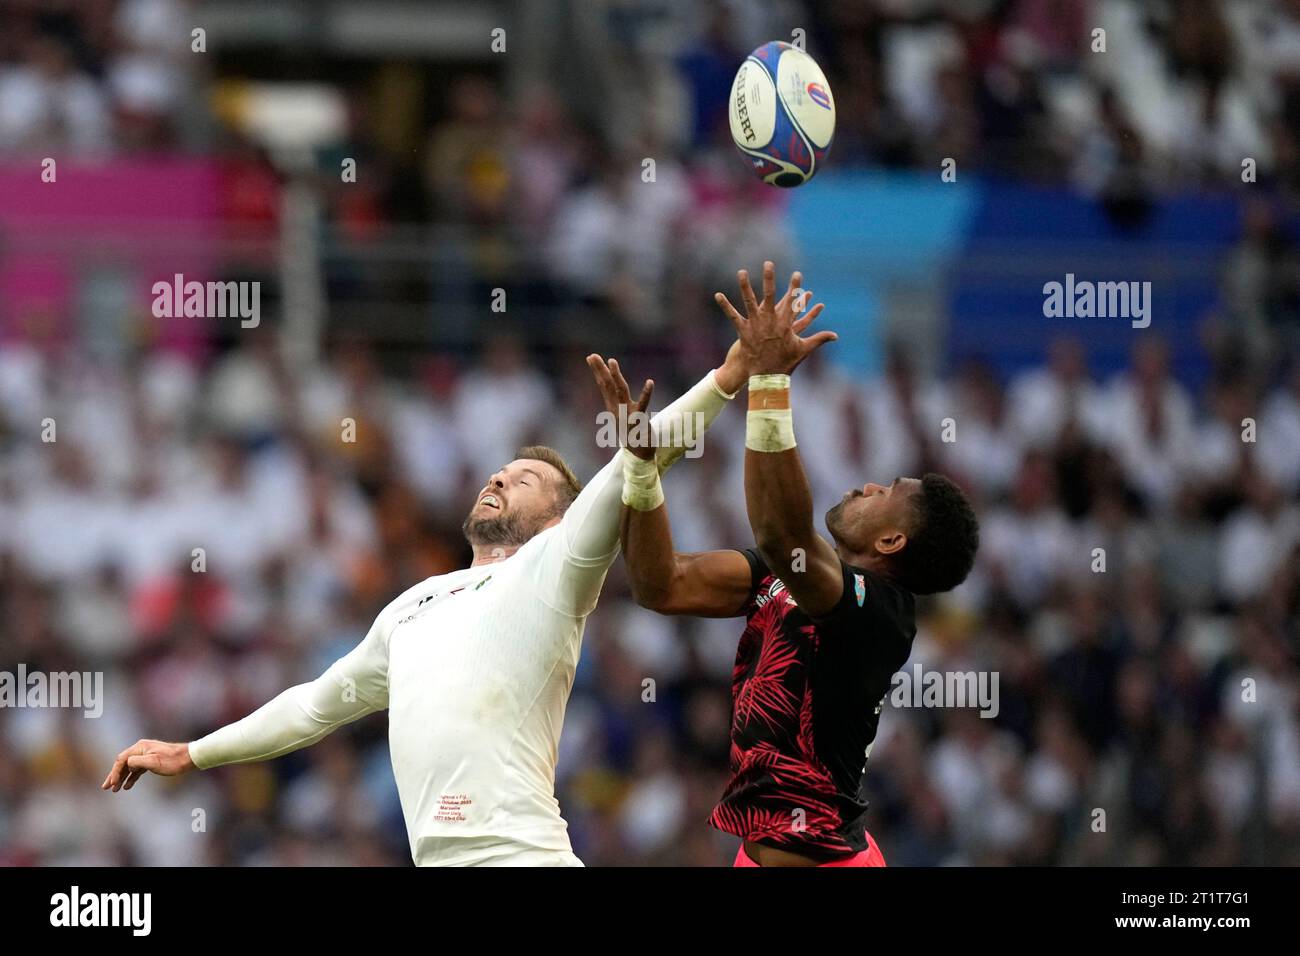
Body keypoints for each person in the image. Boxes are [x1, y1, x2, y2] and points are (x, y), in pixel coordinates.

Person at [102, 339, 750, 866]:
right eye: (500, 472)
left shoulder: (553, 567)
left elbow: (635, 464)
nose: (499, 478)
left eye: (525, 480)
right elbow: (313, 706)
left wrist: (727, 377)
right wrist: (194, 752)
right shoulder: (413, 605)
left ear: (557, 520)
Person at [608, 261, 980, 867]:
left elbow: (783, 534)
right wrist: (643, 472)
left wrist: (769, 379)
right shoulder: (791, 574)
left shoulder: (882, 613)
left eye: (885, 492)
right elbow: (661, 584)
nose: (866, 486)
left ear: (891, 542)